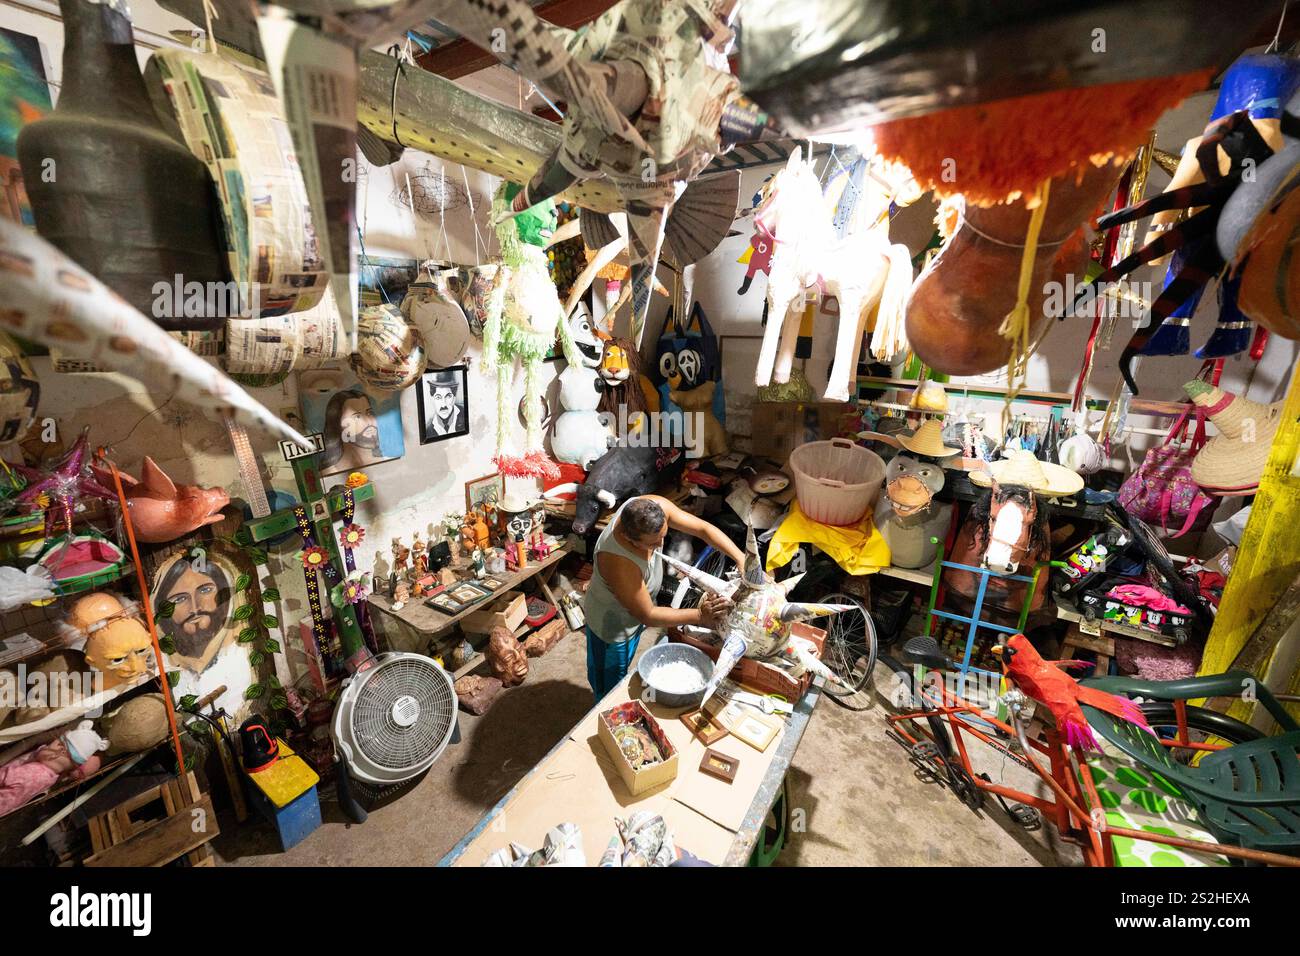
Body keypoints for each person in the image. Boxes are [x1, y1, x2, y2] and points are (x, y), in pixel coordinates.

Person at [582, 495, 743, 701]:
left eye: (663, 535)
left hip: (636, 611)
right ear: (630, 539)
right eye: (652, 542)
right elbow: (648, 614)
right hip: (612, 626)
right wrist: (700, 616)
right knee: (610, 685)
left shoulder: (651, 507)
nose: (660, 544)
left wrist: (741, 558)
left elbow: (703, 529)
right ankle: (602, 712)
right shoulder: (619, 562)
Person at [424, 370, 466, 439]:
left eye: (448, 396)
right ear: (432, 399)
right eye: (438, 397)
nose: (443, 405)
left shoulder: (465, 415)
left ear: (454, 397)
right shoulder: (428, 430)